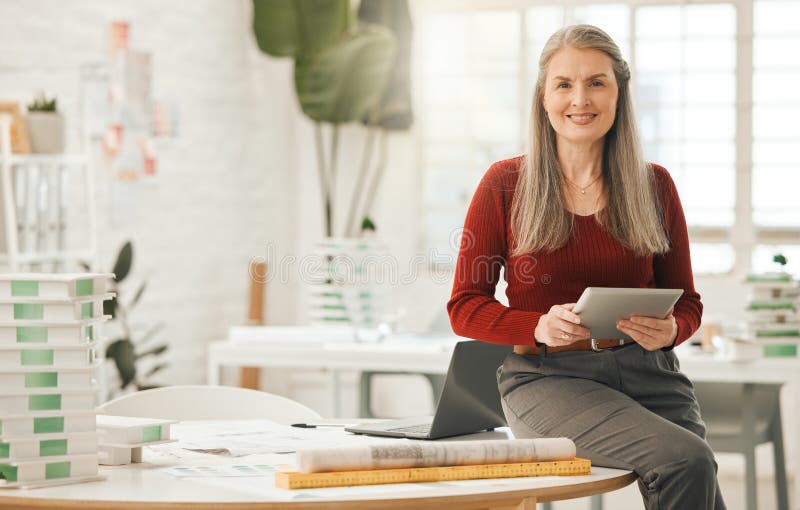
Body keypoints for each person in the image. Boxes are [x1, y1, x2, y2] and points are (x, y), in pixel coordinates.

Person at [447, 24, 725, 509]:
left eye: (597, 82)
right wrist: (536, 325)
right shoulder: (505, 184)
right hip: (547, 378)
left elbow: (688, 304)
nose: (581, 99)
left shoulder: (654, 184)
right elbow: (464, 307)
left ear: (619, 93)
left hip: (650, 371)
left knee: (696, 476)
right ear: (543, 97)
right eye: (564, 84)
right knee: (686, 459)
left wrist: (672, 329)